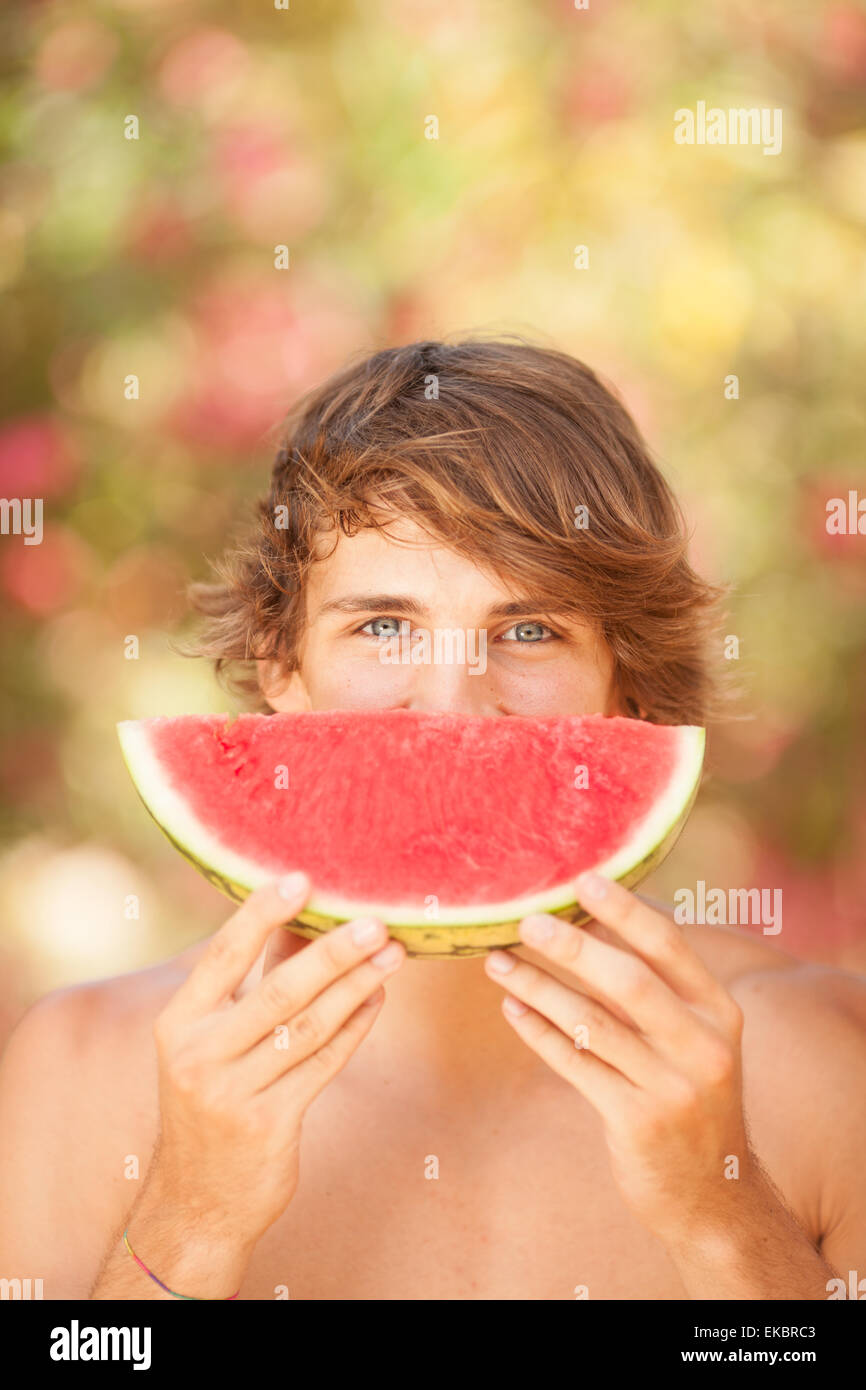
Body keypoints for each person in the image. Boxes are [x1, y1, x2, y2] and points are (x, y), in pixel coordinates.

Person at [1, 338, 864, 1301]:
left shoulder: (825, 1069)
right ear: (283, 667)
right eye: (382, 625)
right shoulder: (77, 1077)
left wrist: (723, 1218)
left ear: (631, 692)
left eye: (530, 630)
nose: (454, 706)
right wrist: (190, 1220)